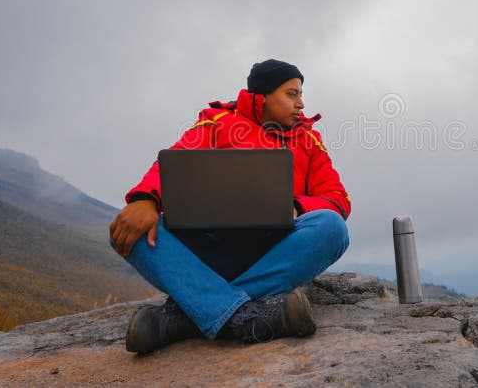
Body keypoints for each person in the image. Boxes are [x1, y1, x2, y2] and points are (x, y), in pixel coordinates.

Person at [109, 59, 351, 353]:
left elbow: (337, 198)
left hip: (276, 251)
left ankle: (190, 316)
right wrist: (145, 199)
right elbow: (176, 161)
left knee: (332, 227)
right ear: (263, 96)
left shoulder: (309, 139)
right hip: (210, 251)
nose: (301, 104)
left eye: (300, 94)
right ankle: (248, 314)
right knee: (129, 230)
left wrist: (297, 207)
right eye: (291, 94)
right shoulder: (217, 121)